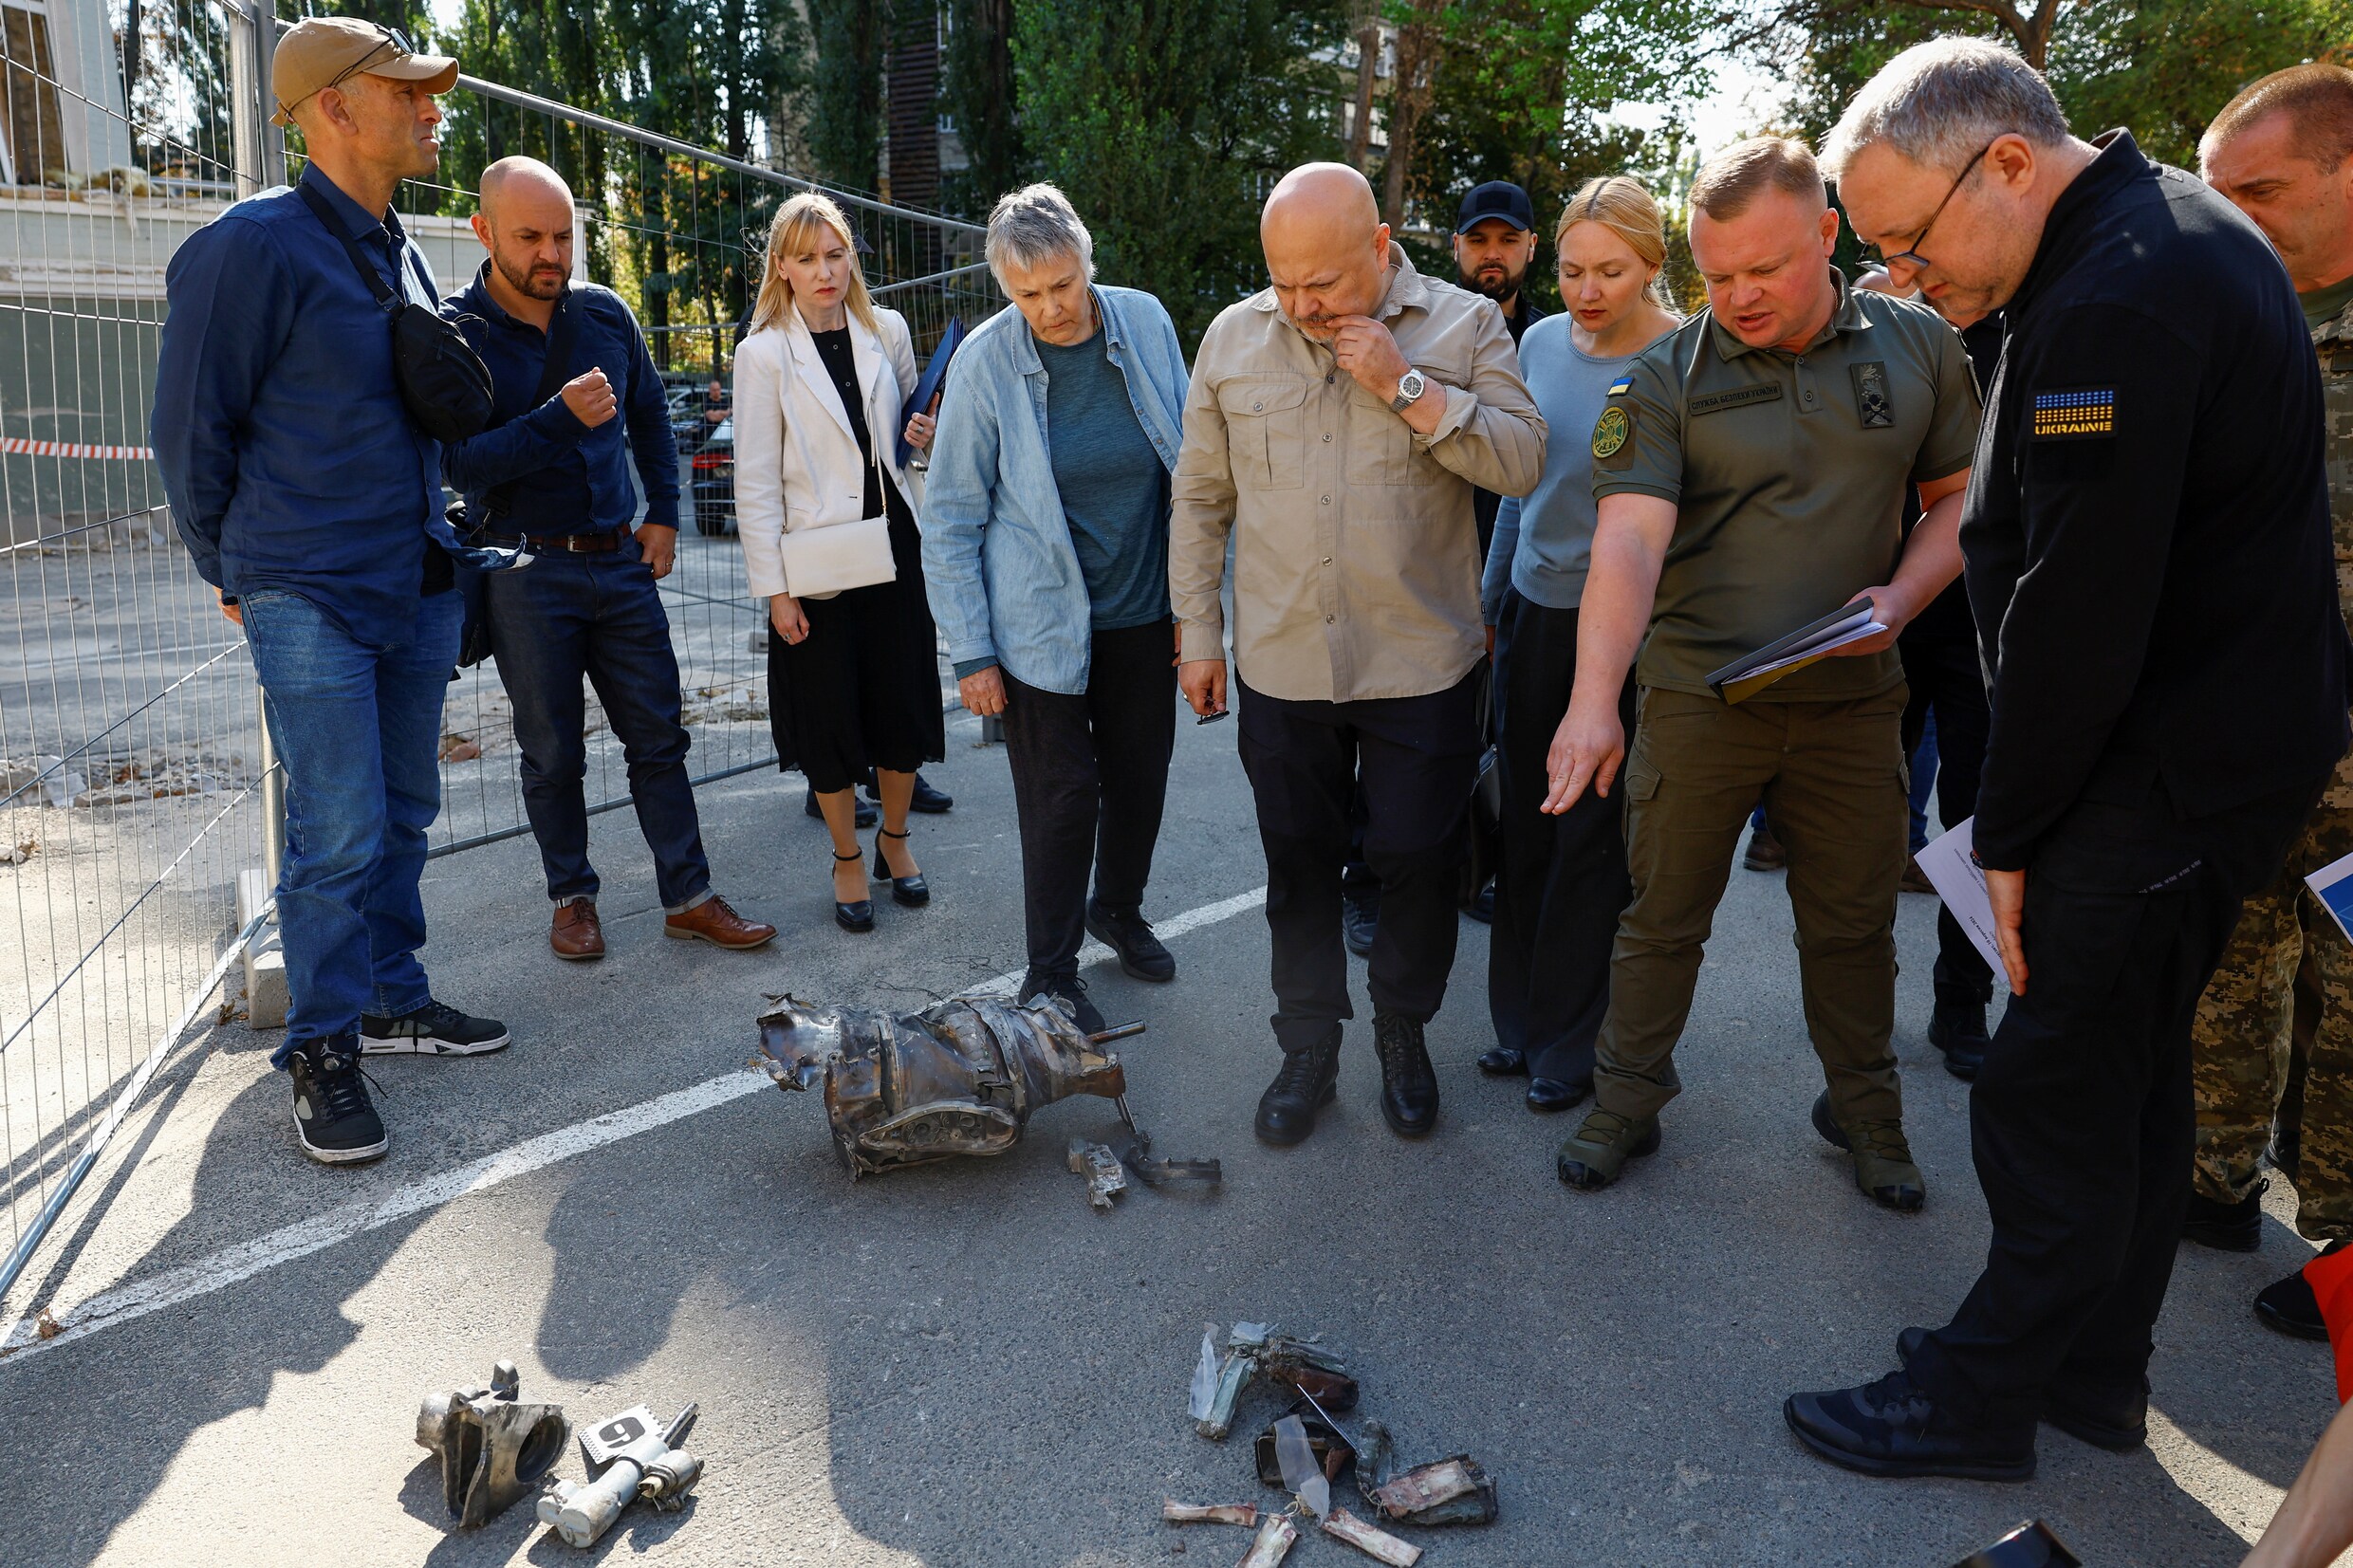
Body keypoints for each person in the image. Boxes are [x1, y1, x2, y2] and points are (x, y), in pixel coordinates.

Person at [1787, 37, 2347, 1481]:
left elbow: (2078, 612)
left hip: (2157, 765)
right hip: (2209, 749)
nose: (1901, 275)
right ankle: (2094, 1371)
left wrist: (2010, 832)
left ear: (2008, 163)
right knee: (2129, 1072)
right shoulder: (2149, 232)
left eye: (1910, 240)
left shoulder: (2117, 297)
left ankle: (1977, 1398)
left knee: (2047, 1083)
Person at [1544, 135, 1980, 1212]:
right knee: (1661, 918)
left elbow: (1959, 501)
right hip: (1700, 698)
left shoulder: (1920, 346)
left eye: (1764, 268)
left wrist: (1904, 596)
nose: (1738, 296)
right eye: (1716, 274)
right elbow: (1627, 545)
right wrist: (1593, 702)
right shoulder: (1664, 376)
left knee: (1852, 927)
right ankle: (1626, 1099)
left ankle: (1868, 1115)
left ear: (1826, 234)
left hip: (1852, 705)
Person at [151, 17, 508, 1166]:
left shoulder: (397, 246)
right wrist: (231, 571)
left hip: (416, 576)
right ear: (334, 110)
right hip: (306, 586)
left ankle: (389, 997)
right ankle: (321, 1046)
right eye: (405, 92)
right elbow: (187, 432)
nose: (430, 108)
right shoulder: (247, 248)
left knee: (403, 809)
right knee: (339, 822)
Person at [1170, 162, 1545, 1147]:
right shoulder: (1232, 338)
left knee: (1417, 859)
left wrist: (1404, 385)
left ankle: (1401, 1030)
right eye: (1283, 282)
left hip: (1420, 664)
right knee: (1297, 865)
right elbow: (1200, 497)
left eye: (1324, 283)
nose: (1301, 305)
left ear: (1381, 247)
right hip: (1282, 662)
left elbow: (1522, 459)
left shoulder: (1465, 324)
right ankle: (1307, 1046)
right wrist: (1197, 635)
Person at [440, 157, 774, 961]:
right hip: (525, 571)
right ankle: (572, 900)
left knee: (659, 735)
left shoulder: (604, 313)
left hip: (620, 562)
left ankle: (689, 896)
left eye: (563, 237)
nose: (551, 254)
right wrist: (558, 418)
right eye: (530, 237)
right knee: (552, 750)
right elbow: (458, 463)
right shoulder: (459, 332)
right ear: (484, 231)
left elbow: (651, 413)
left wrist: (665, 514)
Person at [921, 184, 1192, 1032]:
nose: (1049, 308)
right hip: (1037, 629)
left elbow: (1193, 468)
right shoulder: (985, 362)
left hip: (1143, 612)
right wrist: (971, 651)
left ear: (1087, 262)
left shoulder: (1145, 321)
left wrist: (1199, 611)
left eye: (1063, 285)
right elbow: (952, 516)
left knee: (1140, 782)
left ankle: (1118, 908)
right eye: (1027, 293)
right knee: (1063, 799)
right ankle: (1050, 974)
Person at [2190, 64, 2353, 1336]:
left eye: (2263, 189)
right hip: (2243, 720)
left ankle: (2345, 1246)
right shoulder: (2226, 315)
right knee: (2232, 957)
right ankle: (2215, 1175)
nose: (2232, 218)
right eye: (2216, 194)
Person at [1475, 176, 1678, 1109]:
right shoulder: (1539, 342)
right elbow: (1521, 488)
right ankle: (1516, 1021)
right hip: (1530, 615)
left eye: (1612, 271)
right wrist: (1490, 604)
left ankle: (1571, 1039)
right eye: (1570, 270)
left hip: (1625, 638)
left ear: (1652, 265)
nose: (1587, 291)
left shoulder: (1685, 358)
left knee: (1590, 840)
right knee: (1523, 824)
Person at [731, 192, 941, 932]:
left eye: (835, 254)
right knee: (827, 715)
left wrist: (925, 432)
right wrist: (775, 591)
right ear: (781, 267)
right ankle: (847, 856)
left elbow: (911, 446)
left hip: (896, 547)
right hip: (815, 565)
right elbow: (755, 481)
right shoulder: (762, 354)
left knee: (902, 705)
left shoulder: (887, 329)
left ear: (850, 257)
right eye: (807, 258)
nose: (824, 271)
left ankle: (896, 840)